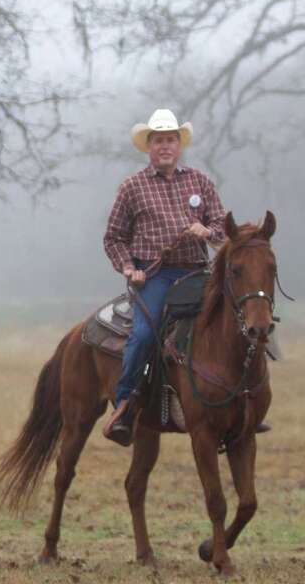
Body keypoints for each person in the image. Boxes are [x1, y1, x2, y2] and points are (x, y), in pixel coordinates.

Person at [100, 109, 226, 446]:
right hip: (155, 277)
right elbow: (113, 237)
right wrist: (129, 267)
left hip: (198, 274)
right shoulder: (132, 187)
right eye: (158, 140)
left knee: (241, 318)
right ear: (148, 147)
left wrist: (208, 230)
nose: (165, 146)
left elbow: (223, 232)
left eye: (171, 139)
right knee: (143, 335)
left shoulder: (201, 181)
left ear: (179, 144)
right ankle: (124, 404)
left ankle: (245, 399)